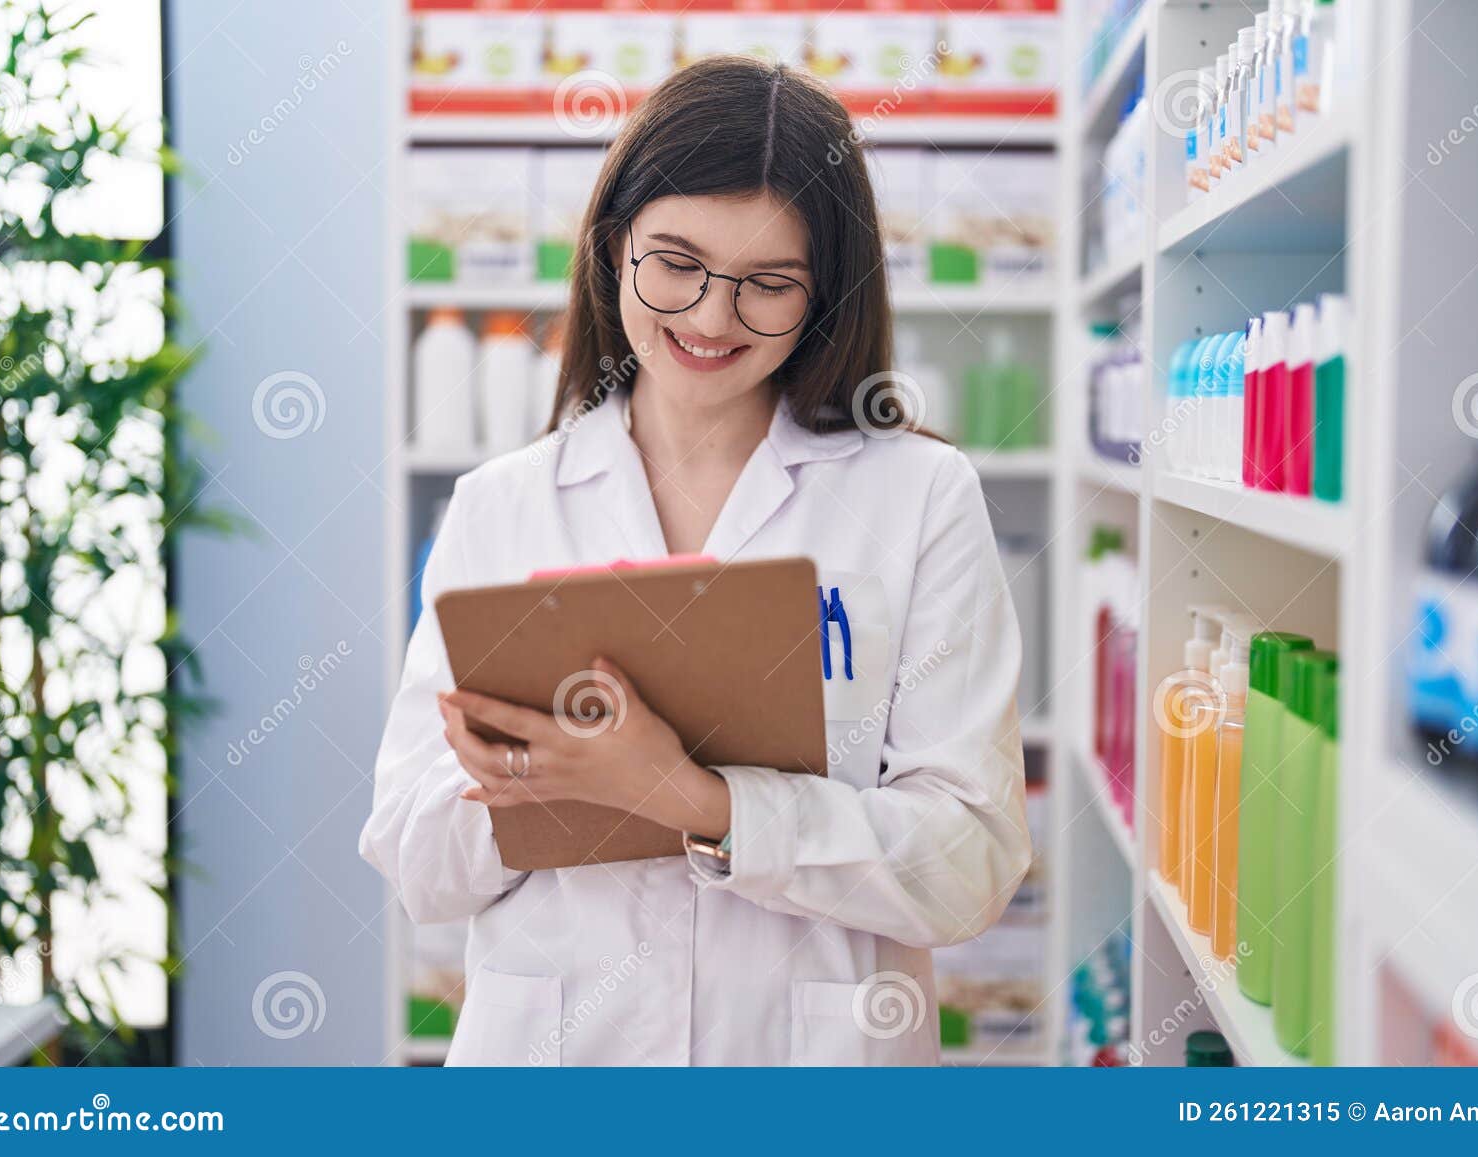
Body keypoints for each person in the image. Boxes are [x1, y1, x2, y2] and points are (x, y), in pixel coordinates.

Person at [361, 55, 1031, 1066]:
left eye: (768, 284)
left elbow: (969, 861)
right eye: (676, 263)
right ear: (613, 247)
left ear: (823, 294)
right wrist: (539, 784)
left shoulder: (919, 496)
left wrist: (701, 803)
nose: (712, 318)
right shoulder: (502, 506)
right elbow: (415, 861)